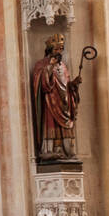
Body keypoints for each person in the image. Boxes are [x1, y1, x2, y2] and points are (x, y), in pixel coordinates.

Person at [31, 33, 82, 162]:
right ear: (50, 50)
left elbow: (66, 85)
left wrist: (73, 84)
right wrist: (49, 67)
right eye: (56, 49)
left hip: (63, 104)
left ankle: (67, 152)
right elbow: (40, 84)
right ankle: (50, 151)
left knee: (65, 126)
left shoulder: (63, 66)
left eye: (61, 49)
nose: (59, 52)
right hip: (50, 103)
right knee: (51, 124)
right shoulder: (42, 64)